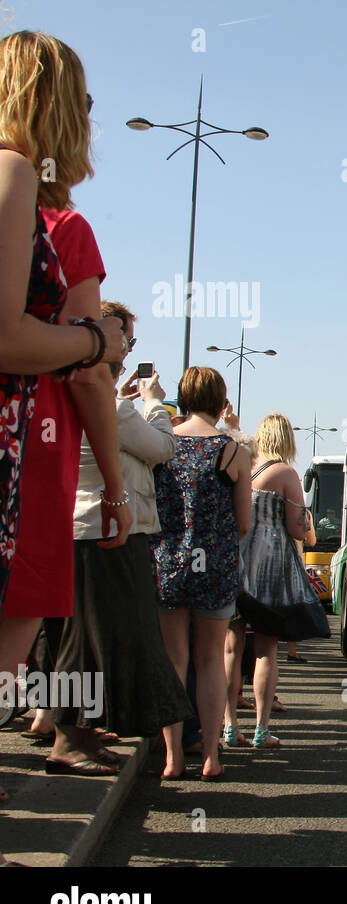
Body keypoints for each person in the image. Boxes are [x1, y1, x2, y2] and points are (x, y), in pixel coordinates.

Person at [0, 31, 127, 714]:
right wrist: (94, 339)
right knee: (11, 633)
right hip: (27, 437)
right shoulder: (43, 202)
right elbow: (76, 373)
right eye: (82, 98)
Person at [41, 302, 194, 776]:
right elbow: (161, 447)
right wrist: (153, 403)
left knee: (89, 639)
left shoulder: (94, 395)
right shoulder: (113, 404)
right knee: (93, 639)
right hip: (103, 529)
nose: (128, 351)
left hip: (85, 527)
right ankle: (67, 740)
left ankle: (78, 736)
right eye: (125, 340)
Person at [154, 367, 251, 782]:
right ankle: (211, 756)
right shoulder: (233, 452)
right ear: (220, 399)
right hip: (214, 563)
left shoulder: (163, 444)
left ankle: (173, 757)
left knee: (175, 659)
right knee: (211, 660)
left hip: (168, 560)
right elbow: (243, 522)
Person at [230, 413, 330, 747]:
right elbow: (298, 528)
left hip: (236, 562)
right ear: (286, 439)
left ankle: (229, 727)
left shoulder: (243, 464)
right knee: (265, 649)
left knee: (230, 648)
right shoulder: (284, 473)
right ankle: (261, 729)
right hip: (269, 566)